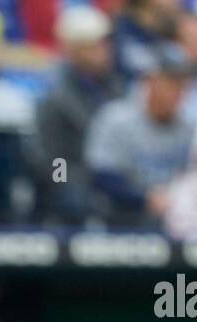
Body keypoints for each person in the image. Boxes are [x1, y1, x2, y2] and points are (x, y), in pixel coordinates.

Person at [29, 4, 124, 223]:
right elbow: (52, 159)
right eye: (95, 45)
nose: (105, 50)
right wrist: (70, 182)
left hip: (111, 175)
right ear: (74, 49)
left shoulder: (116, 87)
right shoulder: (54, 95)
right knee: (75, 200)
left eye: (106, 43)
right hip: (72, 176)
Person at [84, 46, 196, 227]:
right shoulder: (116, 118)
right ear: (150, 82)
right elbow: (102, 176)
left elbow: (196, 175)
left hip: (177, 214)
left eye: (183, 85)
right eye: (171, 83)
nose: (179, 92)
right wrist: (144, 199)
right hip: (123, 214)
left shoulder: (189, 128)